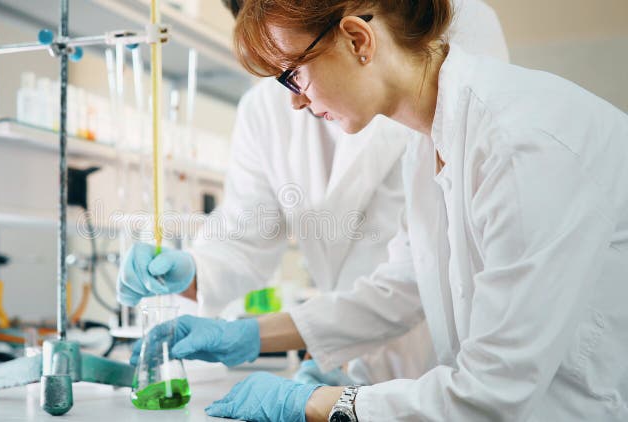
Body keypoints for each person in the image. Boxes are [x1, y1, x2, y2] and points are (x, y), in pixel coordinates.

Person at [133, 0, 628, 420]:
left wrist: (316, 404)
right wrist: (248, 334)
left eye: (293, 76)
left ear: (357, 39)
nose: (296, 103)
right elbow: (402, 286)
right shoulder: (428, 143)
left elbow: (493, 394)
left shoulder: (521, 142)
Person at [117, 0, 509, 386]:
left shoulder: (450, 49)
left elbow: (450, 244)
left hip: (444, 338)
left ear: (357, 39)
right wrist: (194, 271)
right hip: (350, 333)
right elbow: (247, 232)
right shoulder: (268, 106)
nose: (294, 98)